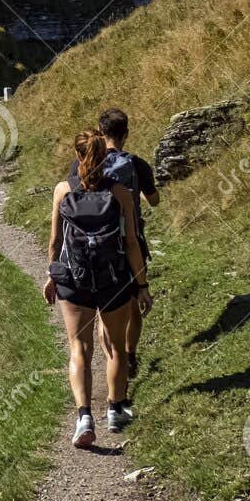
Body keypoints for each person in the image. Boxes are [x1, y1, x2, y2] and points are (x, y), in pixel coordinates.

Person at [45, 130, 151, 449]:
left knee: (79, 349)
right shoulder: (119, 192)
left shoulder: (63, 190)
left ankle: (84, 418)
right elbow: (131, 242)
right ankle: (116, 410)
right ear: (105, 158)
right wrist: (141, 284)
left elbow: (55, 242)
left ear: (77, 156)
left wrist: (53, 275)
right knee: (116, 347)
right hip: (114, 279)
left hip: (74, 281)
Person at [98, 107, 158, 377]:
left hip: (98, 244)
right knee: (133, 304)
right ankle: (130, 356)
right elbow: (154, 200)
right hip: (132, 240)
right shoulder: (137, 164)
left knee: (105, 307)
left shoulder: (88, 162)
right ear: (127, 134)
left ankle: (112, 360)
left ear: (101, 132)